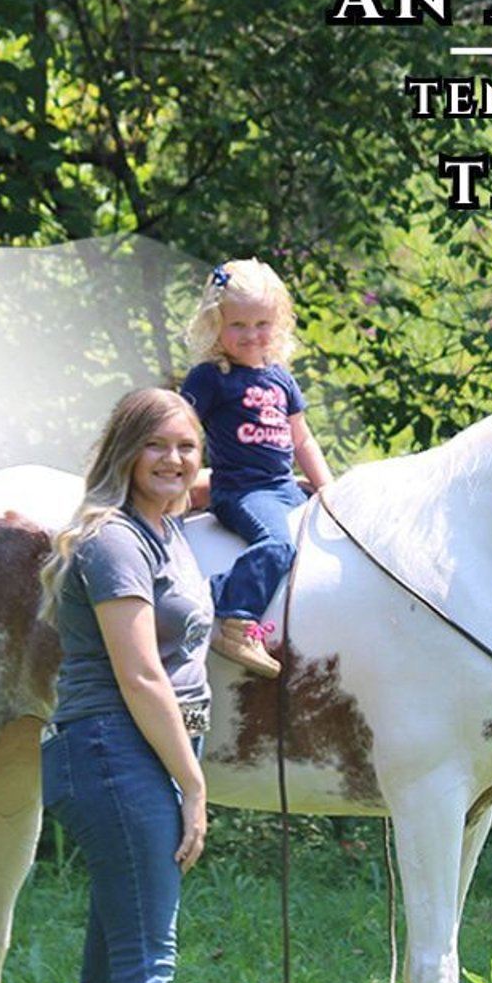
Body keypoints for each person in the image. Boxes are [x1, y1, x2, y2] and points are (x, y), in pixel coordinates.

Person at [38, 387, 225, 983]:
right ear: (126, 451)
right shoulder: (114, 539)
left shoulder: (166, 530)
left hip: (133, 750)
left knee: (114, 948)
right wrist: (194, 781)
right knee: (149, 961)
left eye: (187, 446)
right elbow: (141, 674)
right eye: (158, 446)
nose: (175, 460)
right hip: (114, 749)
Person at [179, 258, 333, 678]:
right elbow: (180, 431)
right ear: (216, 325)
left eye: (262, 324)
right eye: (238, 326)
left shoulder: (280, 378)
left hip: (283, 486)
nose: (251, 336)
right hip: (242, 490)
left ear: (278, 323)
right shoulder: (210, 378)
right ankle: (233, 613)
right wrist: (180, 482)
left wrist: (328, 489)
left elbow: (302, 440)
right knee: (277, 544)